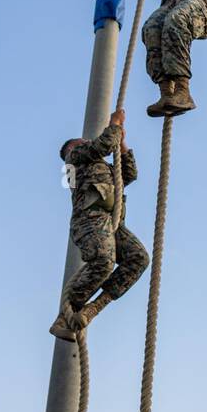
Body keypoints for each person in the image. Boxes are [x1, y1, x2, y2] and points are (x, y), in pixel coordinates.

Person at [49, 110, 149, 341]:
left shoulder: (99, 165)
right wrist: (114, 125)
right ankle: (65, 316)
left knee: (139, 258)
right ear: (71, 149)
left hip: (111, 223)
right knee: (104, 261)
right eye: (81, 142)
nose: (86, 142)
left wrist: (121, 143)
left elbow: (129, 174)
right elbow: (102, 146)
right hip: (90, 221)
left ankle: (93, 308)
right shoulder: (74, 159)